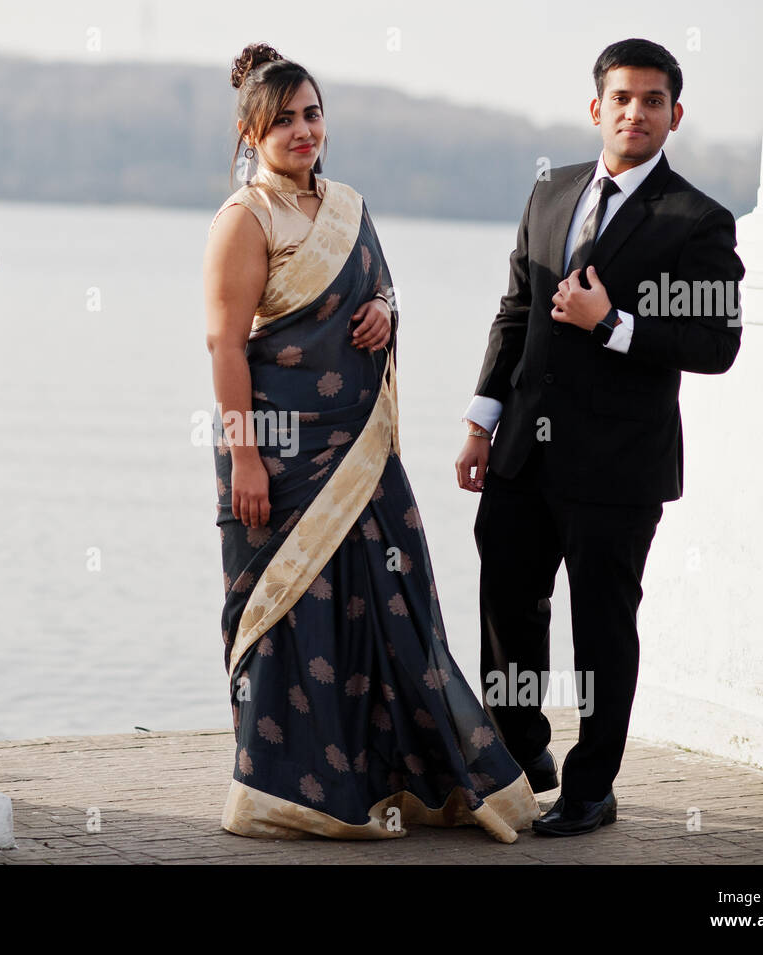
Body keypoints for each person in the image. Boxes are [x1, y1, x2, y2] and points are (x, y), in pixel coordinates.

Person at [204, 42, 539, 842]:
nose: (302, 130)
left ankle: (400, 779)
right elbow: (224, 344)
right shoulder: (244, 218)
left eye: (312, 114)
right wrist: (247, 455)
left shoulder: (350, 205)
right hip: (281, 454)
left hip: (362, 448)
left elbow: (377, 290)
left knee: (395, 606)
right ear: (250, 131)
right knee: (289, 614)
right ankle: (290, 791)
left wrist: (387, 310)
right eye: (281, 119)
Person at [455, 38, 745, 836]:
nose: (636, 112)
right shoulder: (550, 192)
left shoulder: (697, 220)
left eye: (654, 100)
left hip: (618, 469)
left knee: (600, 632)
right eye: (622, 97)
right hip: (521, 453)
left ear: (674, 116)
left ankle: (592, 787)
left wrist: (613, 323)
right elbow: (515, 310)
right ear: (596, 108)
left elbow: (717, 343)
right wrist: (482, 422)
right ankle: (520, 756)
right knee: (508, 611)